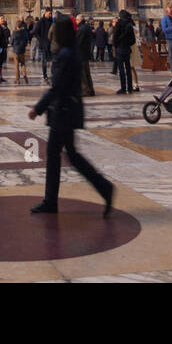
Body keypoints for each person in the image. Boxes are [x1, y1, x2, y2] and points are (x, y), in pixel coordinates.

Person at [28, 16, 114, 215]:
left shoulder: (65, 55)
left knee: (60, 155)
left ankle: (53, 200)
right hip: (69, 110)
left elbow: (57, 87)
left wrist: (38, 108)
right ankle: (101, 188)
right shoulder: (73, 51)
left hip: (63, 112)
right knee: (69, 155)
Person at [113, 8, 135, 95]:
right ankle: (130, 88)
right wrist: (127, 44)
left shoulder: (119, 24)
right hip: (127, 49)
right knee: (128, 69)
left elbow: (115, 37)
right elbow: (133, 40)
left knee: (121, 69)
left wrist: (117, 44)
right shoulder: (130, 25)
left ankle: (123, 88)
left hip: (120, 49)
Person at [76, 14, 95, 96]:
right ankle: (91, 89)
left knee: (82, 73)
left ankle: (85, 90)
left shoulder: (81, 29)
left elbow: (78, 42)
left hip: (81, 53)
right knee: (87, 73)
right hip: (86, 53)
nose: (76, 21)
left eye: (77, 20)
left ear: (80, 20)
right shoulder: (87, 27)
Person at [11, 18, 30, 84]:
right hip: (22, 50)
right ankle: (24, 74)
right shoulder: (24, 32)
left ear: (16, 26)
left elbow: (11, 42)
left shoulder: (14, 32)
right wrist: (24, 45)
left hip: (16, 51)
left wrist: (13, 45)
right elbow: (27, 40)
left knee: (16, 66)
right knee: (23, 64)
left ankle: (17, 80)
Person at [0, 14, 10, 84]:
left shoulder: (5, 27)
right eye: (1, 19)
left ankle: (0, 77)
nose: (2, 20)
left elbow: (8, 35)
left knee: (1, 63)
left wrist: (5, 28)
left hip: (4, 46)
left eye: (3, 19)